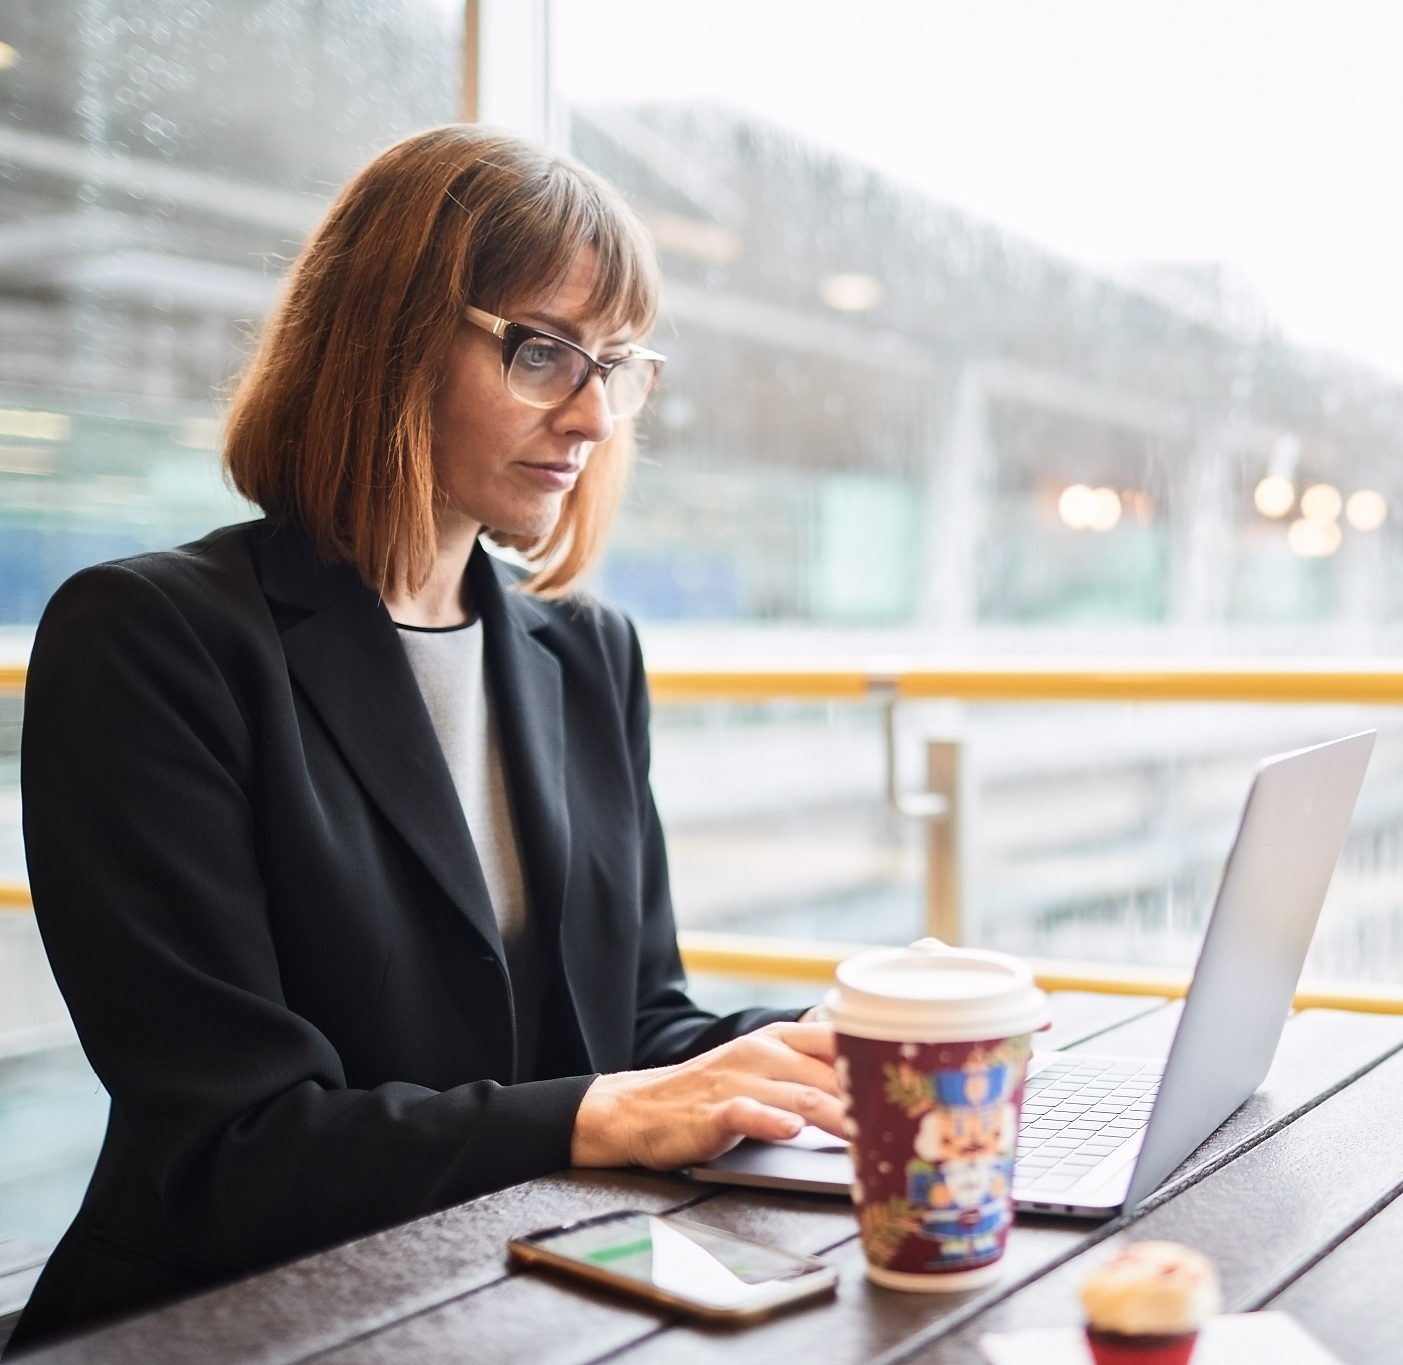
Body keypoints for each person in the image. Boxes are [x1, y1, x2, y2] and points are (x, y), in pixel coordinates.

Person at [8, 126, 846, 1352]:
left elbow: (635, 1030)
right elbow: (237, 1149)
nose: (595, 416)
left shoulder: (584, 654)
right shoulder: (151, 640)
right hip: (231, 1322)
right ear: (385, 335)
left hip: (518, 1298)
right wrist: (603, 1116)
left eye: (617, 365)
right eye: (544, 351)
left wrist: (842, 1048)